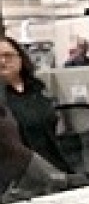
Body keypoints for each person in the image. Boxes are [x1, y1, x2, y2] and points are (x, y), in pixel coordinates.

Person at [0, 36, 71, 174]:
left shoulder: (38, 87)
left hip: (56, 163)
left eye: (8, 56)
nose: (2, 61)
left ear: (20, 58)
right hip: (20, 173)